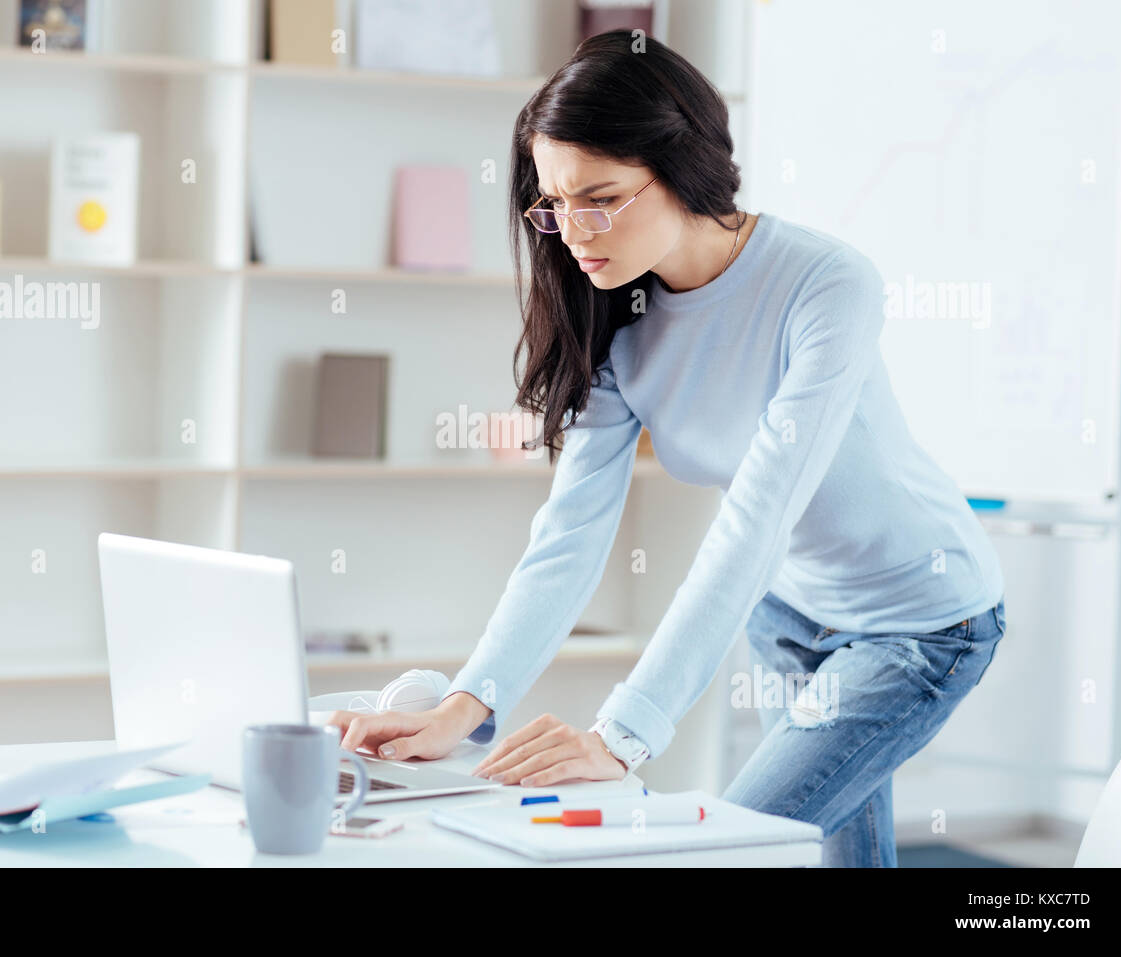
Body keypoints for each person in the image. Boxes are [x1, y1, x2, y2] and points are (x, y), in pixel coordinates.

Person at [328, 30, 1007, 867]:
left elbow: (757, 517)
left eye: (600, 197)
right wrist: (466, 705)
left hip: (920, 619)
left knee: (727, 849)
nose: (572, 232)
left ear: (680, 164)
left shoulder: (828, 286)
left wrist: (623, 734)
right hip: (791, 615)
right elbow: (569, 537)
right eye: (554, 203)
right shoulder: (616, 319)